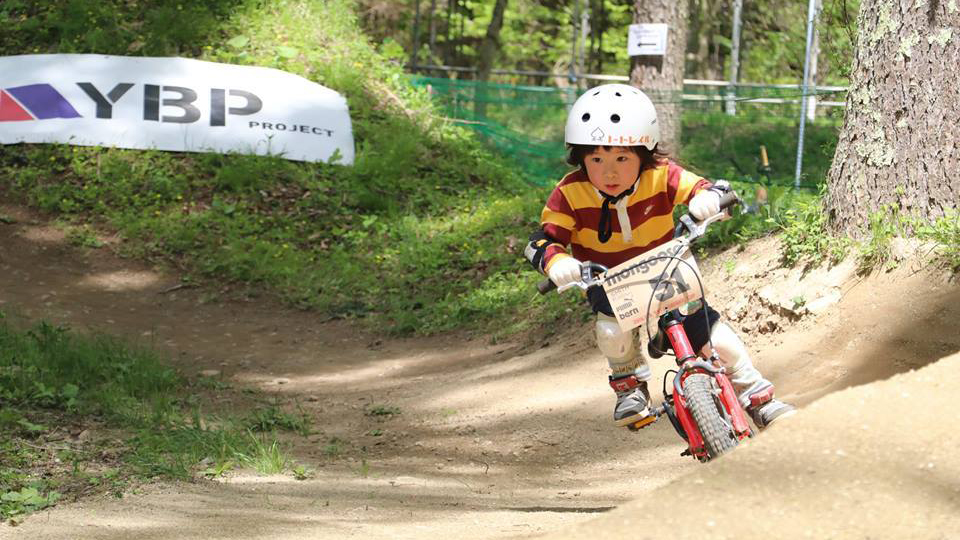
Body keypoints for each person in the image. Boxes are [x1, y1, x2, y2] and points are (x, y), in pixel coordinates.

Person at [524, 84, 795, 430]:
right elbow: (541, 241)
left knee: (712, 333)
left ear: (644, 152)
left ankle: (757, 396)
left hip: (666, 267)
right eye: (596, 159)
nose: (609, 172)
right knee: (611, 331)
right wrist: (557, 262)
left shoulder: (661, 174)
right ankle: (628, 385)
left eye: (622, 158)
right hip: (607, 278)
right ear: (580, 157)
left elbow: (712, 188)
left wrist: (708, 200)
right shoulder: (569, 192)